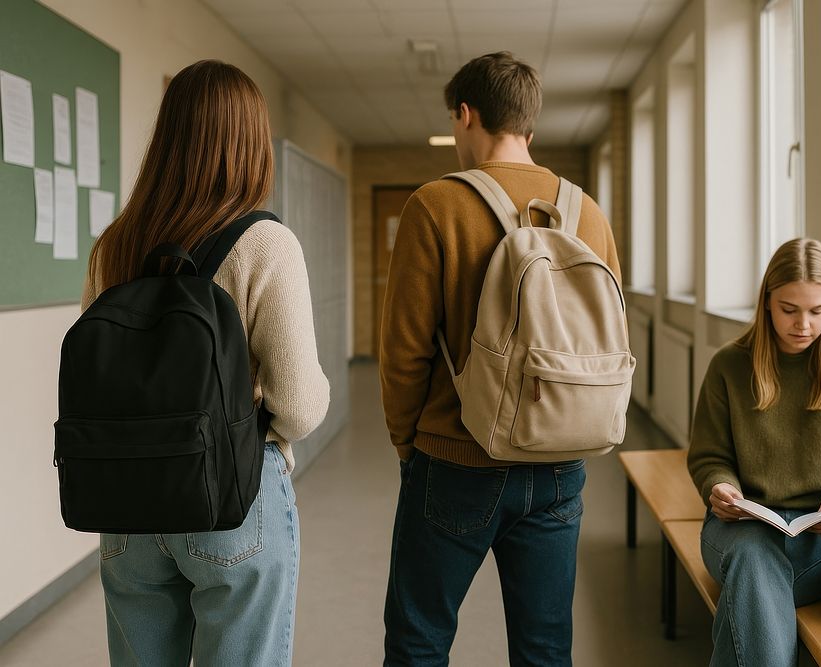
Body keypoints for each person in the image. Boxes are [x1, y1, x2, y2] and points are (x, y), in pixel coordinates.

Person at [82, 60, 329, 666]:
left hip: (127, 500)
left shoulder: (116, 244)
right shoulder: (266, 243)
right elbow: (298, 404)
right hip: (231, 496)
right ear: (251, 144)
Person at [378, 51, 622, 666]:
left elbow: (404, 350)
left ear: (466, 115)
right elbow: (610, 338)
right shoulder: (586, 211)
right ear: (529, 127)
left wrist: (409, 442)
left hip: (455, 456)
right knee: (544, 649)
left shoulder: (434, 205)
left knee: (420, 641)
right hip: (561, 461)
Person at [686, 237, 821, 666]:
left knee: (749, 589)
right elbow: (709, 455)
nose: (804, 324)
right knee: (752, 555)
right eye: (789, 309)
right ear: (766, 301)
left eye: (818, 311)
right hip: (740, 528)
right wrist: (721, 486)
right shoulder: (730, 364)